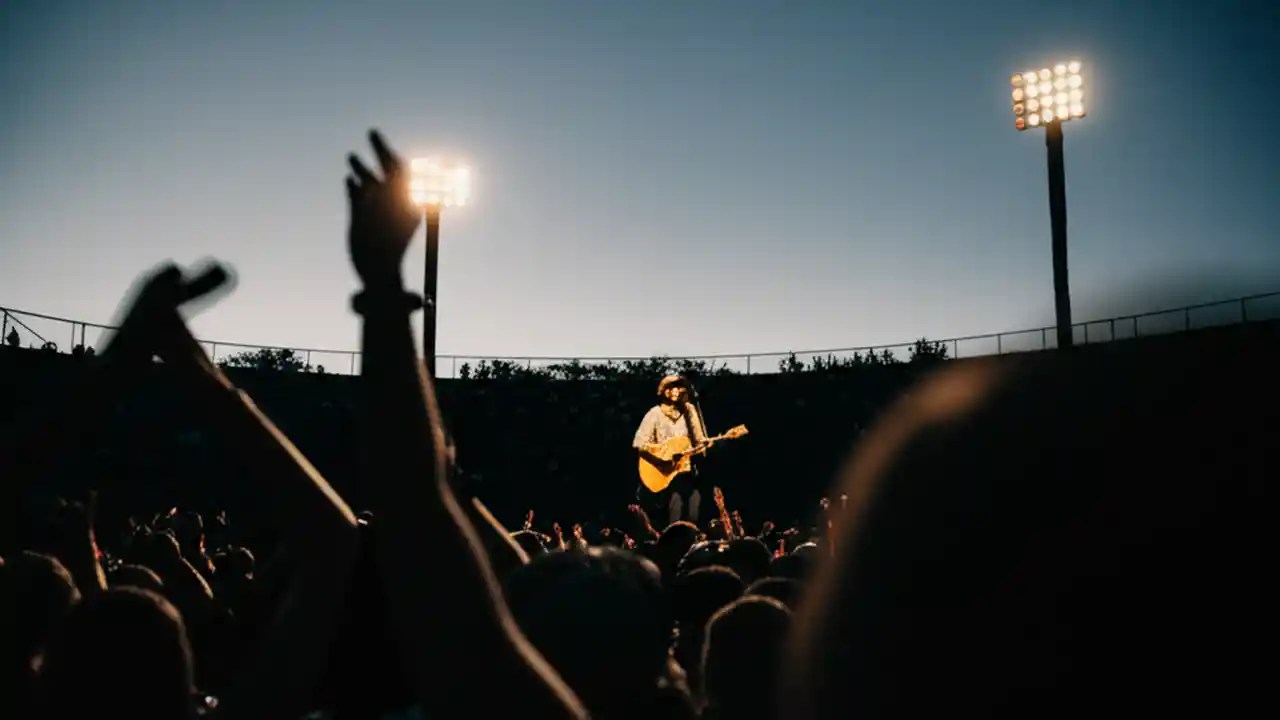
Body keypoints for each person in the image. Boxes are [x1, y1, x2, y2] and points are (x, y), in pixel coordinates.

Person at [633, 375, 710, 525]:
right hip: (664, 476)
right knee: (675, 502)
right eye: (672, 388)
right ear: (663, 391)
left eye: (679, 388)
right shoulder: (654, 414)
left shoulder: (690, 411)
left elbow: (700, 440)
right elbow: (639, 445)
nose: (676, 391)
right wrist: (662, 462)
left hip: (686, 471)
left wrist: (706, 445)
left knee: (694, 501)